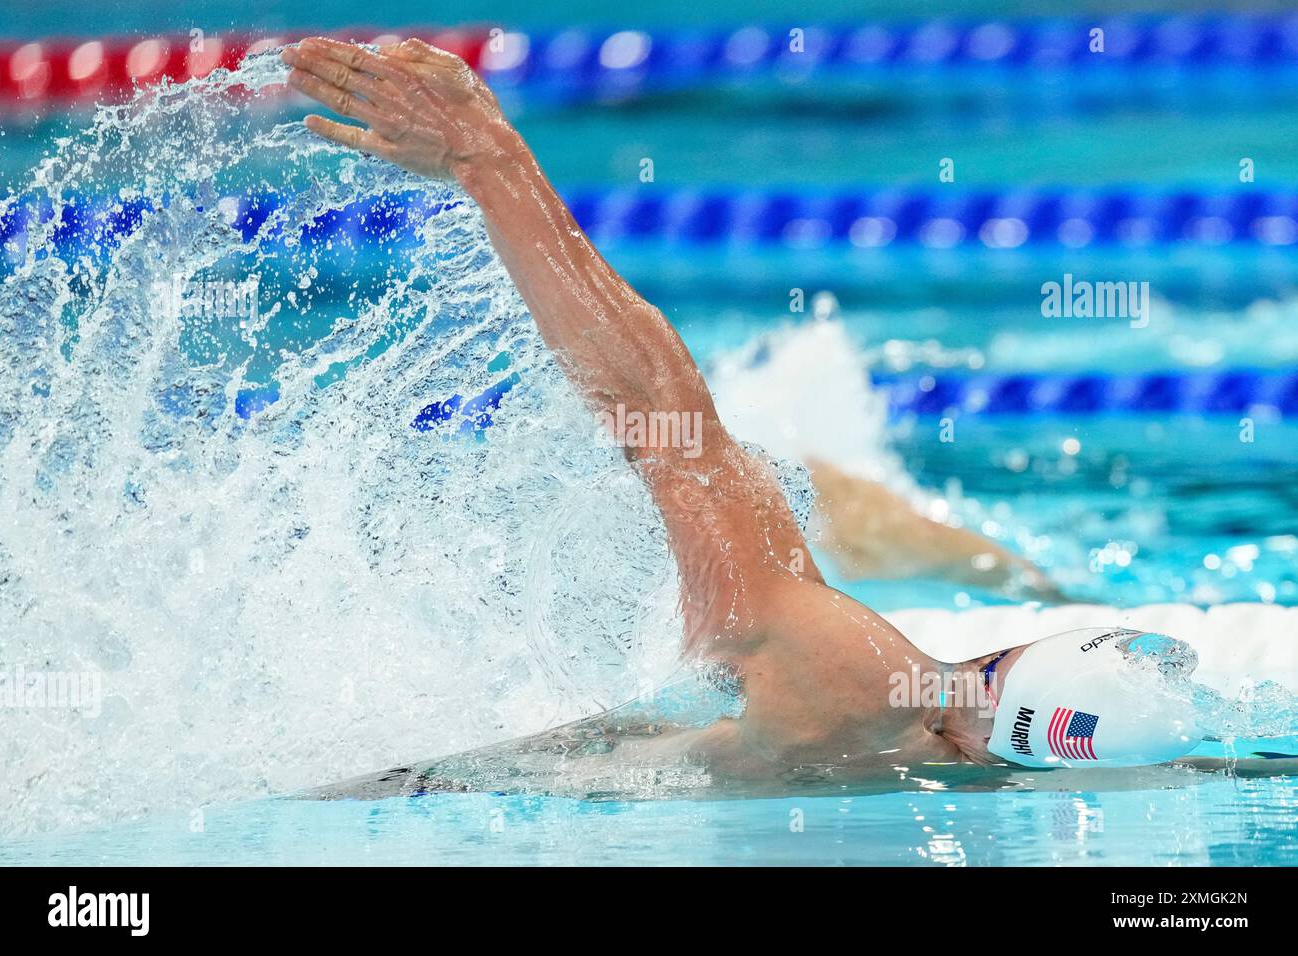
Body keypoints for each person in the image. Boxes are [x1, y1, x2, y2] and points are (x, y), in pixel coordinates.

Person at [279, 38, 1278, 799]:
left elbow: (662, 413)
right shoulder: (974, 769)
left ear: (987, 696)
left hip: (405, 794)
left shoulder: (840, 668)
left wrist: (490, 162)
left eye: (994, 659)